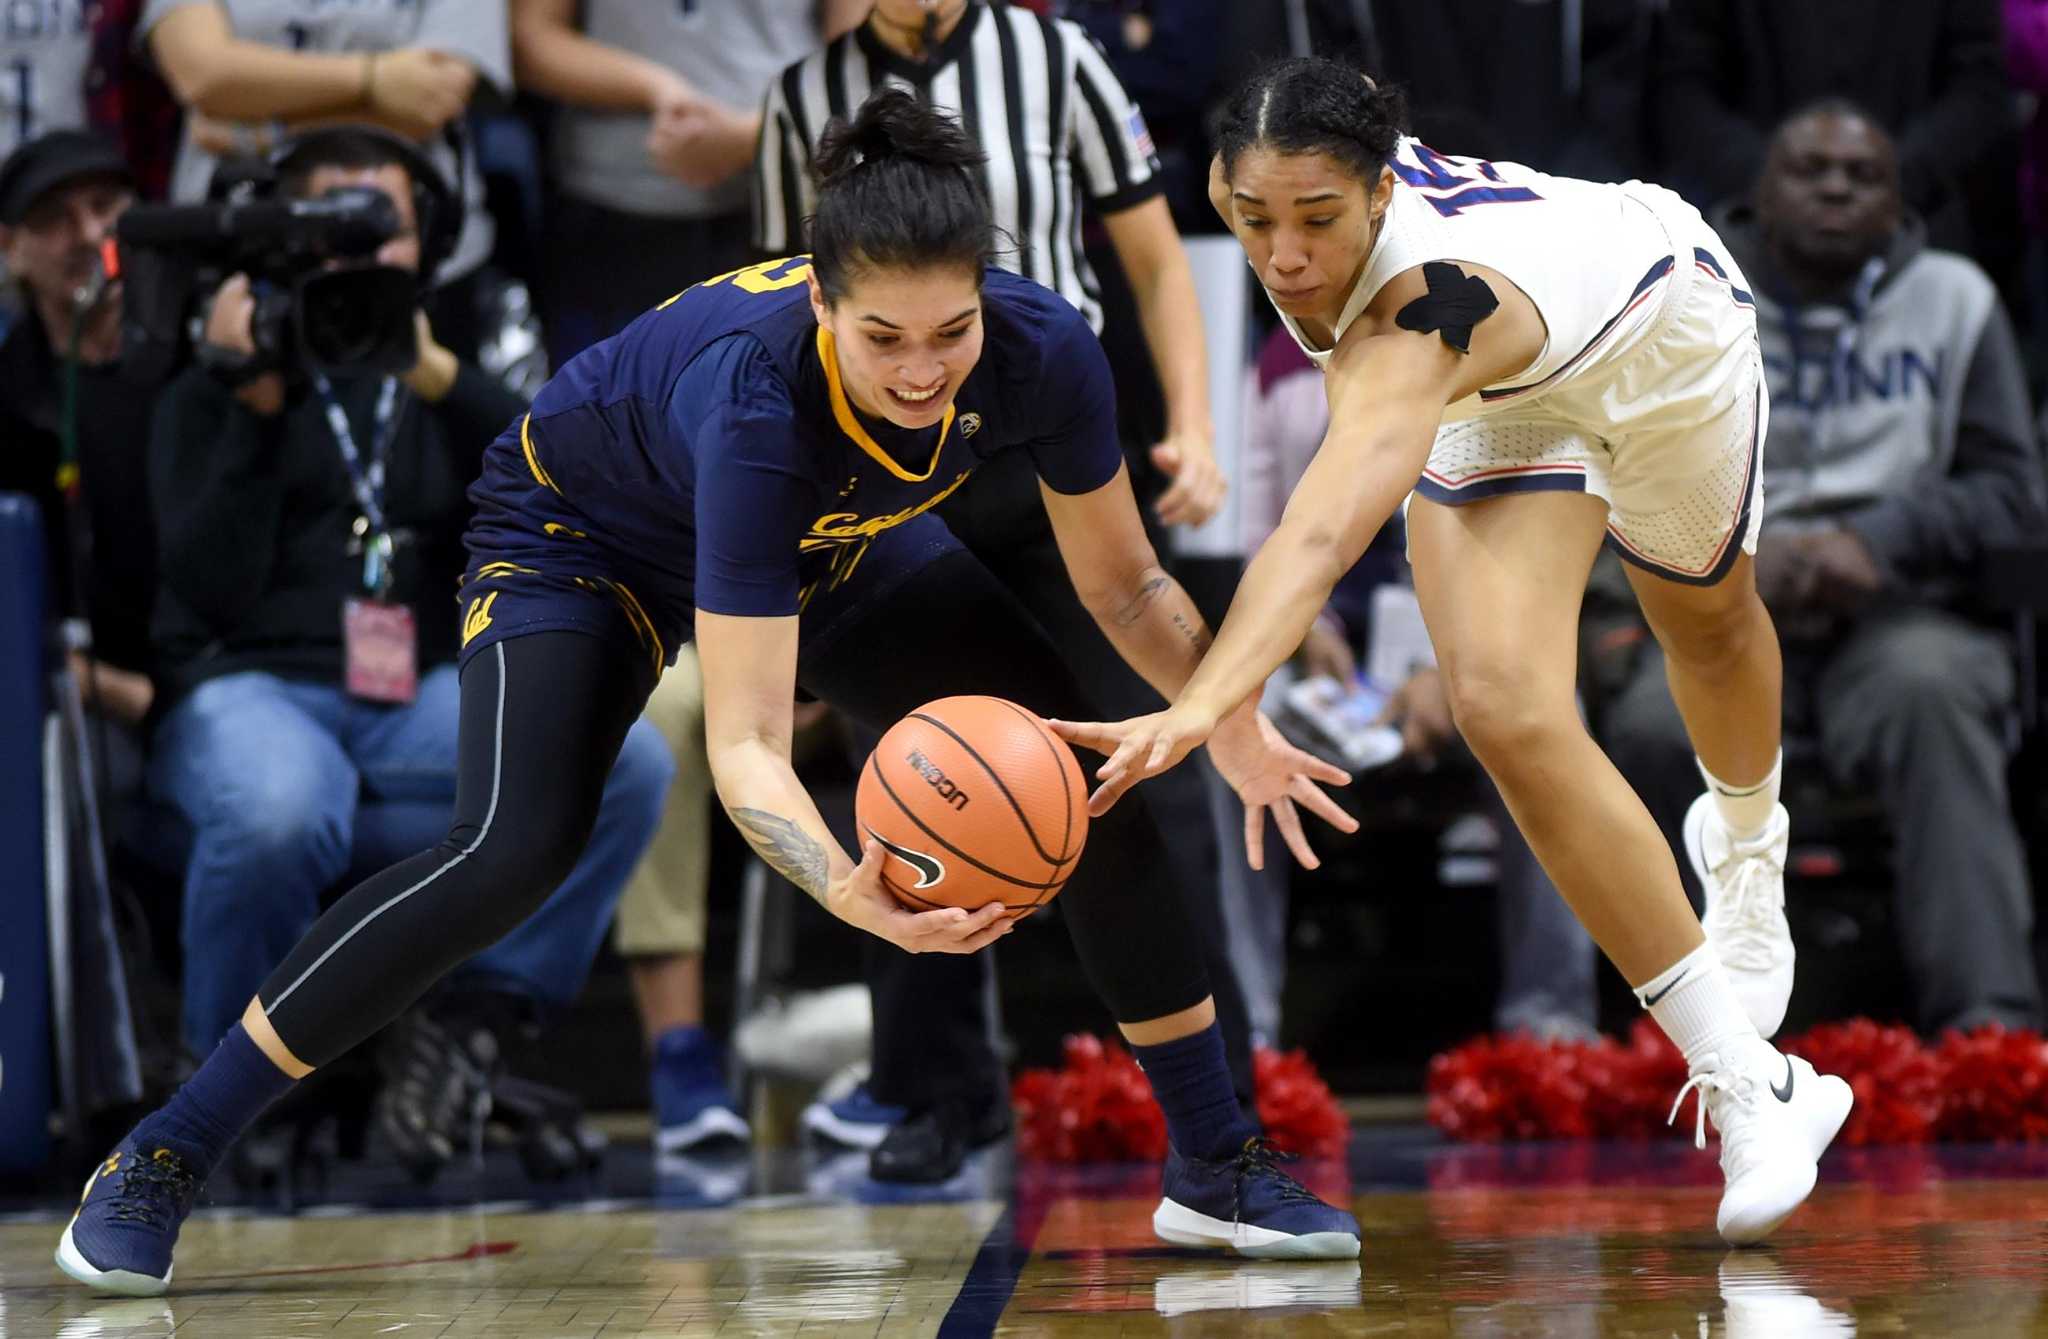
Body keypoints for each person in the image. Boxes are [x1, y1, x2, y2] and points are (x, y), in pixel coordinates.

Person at [54, 89, 1362, 1296]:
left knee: (1083, 769)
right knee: (511, 849)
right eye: (883, 338)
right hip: (584, 538)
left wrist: (1228, 722)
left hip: (821, 540)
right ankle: (164, 1150)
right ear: (822, 303)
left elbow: (1128, 589)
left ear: (989, 298)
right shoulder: (753, 399)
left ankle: (1214, 1158)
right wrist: (843, 882)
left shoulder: (1043, 349)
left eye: (950, 332)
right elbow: (743, 747)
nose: (923, 371)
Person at [1050, 57, 1856, 1245]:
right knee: (1500, 706)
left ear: (1379, 193)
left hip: (1655, 328)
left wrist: (1200, 705)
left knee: (1704, 624)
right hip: (1501, 401)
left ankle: (1743, 843)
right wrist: (1216, 700)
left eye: (1316, 219)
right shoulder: (1280, 200)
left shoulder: (1419, 304)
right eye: (1254, 217)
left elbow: (1318, 534)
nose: (1281, 253)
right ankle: (1751, 1082)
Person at [757, 0, 1243, 1185]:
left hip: (1045, 452)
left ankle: (1224, 1094)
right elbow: (782, 299)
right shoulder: (795, 98)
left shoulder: (1059, 59)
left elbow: (1152, 257)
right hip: (878, 473)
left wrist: (1194, 423)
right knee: (909, 775)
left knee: (1139, 749)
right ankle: (933, 1088)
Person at [136, 125, 671, 1179]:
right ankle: (221, 1096)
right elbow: (202, 589)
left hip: (410, 691)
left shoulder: (431, 372)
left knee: (627, 760)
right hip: (251, 686)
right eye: (334, 224)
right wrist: (250, 404)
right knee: (286, 806)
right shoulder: (211, 380)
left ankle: (470, 1033)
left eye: (383, 226)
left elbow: (567, 478)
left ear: (426, 243)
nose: (362, 249)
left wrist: (435, 372)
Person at [1602, 104, 2047, 1036]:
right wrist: (1726, 554)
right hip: (1714, 606)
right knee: (1649, 724)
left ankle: (1990, 1031)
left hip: (1892, 610)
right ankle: (1686, 1035)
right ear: (1761, 194)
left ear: (1897, 199)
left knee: (1935, 692)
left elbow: (2014, 493)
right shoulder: (1681, 298)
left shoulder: (1955, 299)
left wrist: (1883, 538)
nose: (1838, 188)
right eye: (1812, 170)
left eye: (1863, 174)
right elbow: (1614, 469)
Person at [510, 0, 867, 1157]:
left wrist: (756, 136)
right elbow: (529, 38)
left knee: (888, 668)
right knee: (662, 715)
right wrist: (656, 97)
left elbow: (872, 44)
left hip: (779, 205)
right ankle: (676, 1046)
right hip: (620, 221)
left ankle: (913, 1047)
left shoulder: (856, 308)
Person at [137, 0, 509, 351]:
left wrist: (254, 132)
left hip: (414, 262)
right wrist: (376, 80)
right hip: (235, 255)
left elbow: (436, 97)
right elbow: (203, 73)